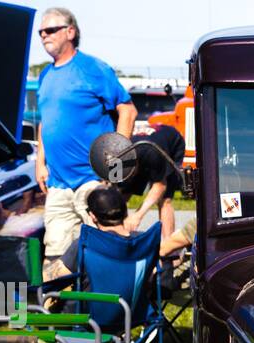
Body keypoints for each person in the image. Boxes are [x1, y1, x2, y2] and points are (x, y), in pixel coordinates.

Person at [34, 7, 137, 279]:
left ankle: (117, 308)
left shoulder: (93, 69)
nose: (44, 35)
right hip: (57, 184)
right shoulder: (45, 75)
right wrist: (40, 163)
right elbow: (45, 123)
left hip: (93, 179)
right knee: (55, 254)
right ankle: (56, 312)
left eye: (51, 29)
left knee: (106, 247)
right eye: (41, 32)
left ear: (71, 32)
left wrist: (118, 158)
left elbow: (127, 109)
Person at [113, 124, 185, 236]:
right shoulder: (119, 156)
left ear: (136, 165)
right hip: (142, 149)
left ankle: (169, 248)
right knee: (123, 194)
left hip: (171, 144)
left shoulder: (153, 154)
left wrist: (138, 215)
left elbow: (160, 186)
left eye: (131, 174)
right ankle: (121, 235)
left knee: (164, 200)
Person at [56, 186, 133, 275]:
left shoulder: (84, 244)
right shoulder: (142, 242)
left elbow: (50, 279)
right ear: (125, 212)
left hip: (95, 289)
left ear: (93, 216)